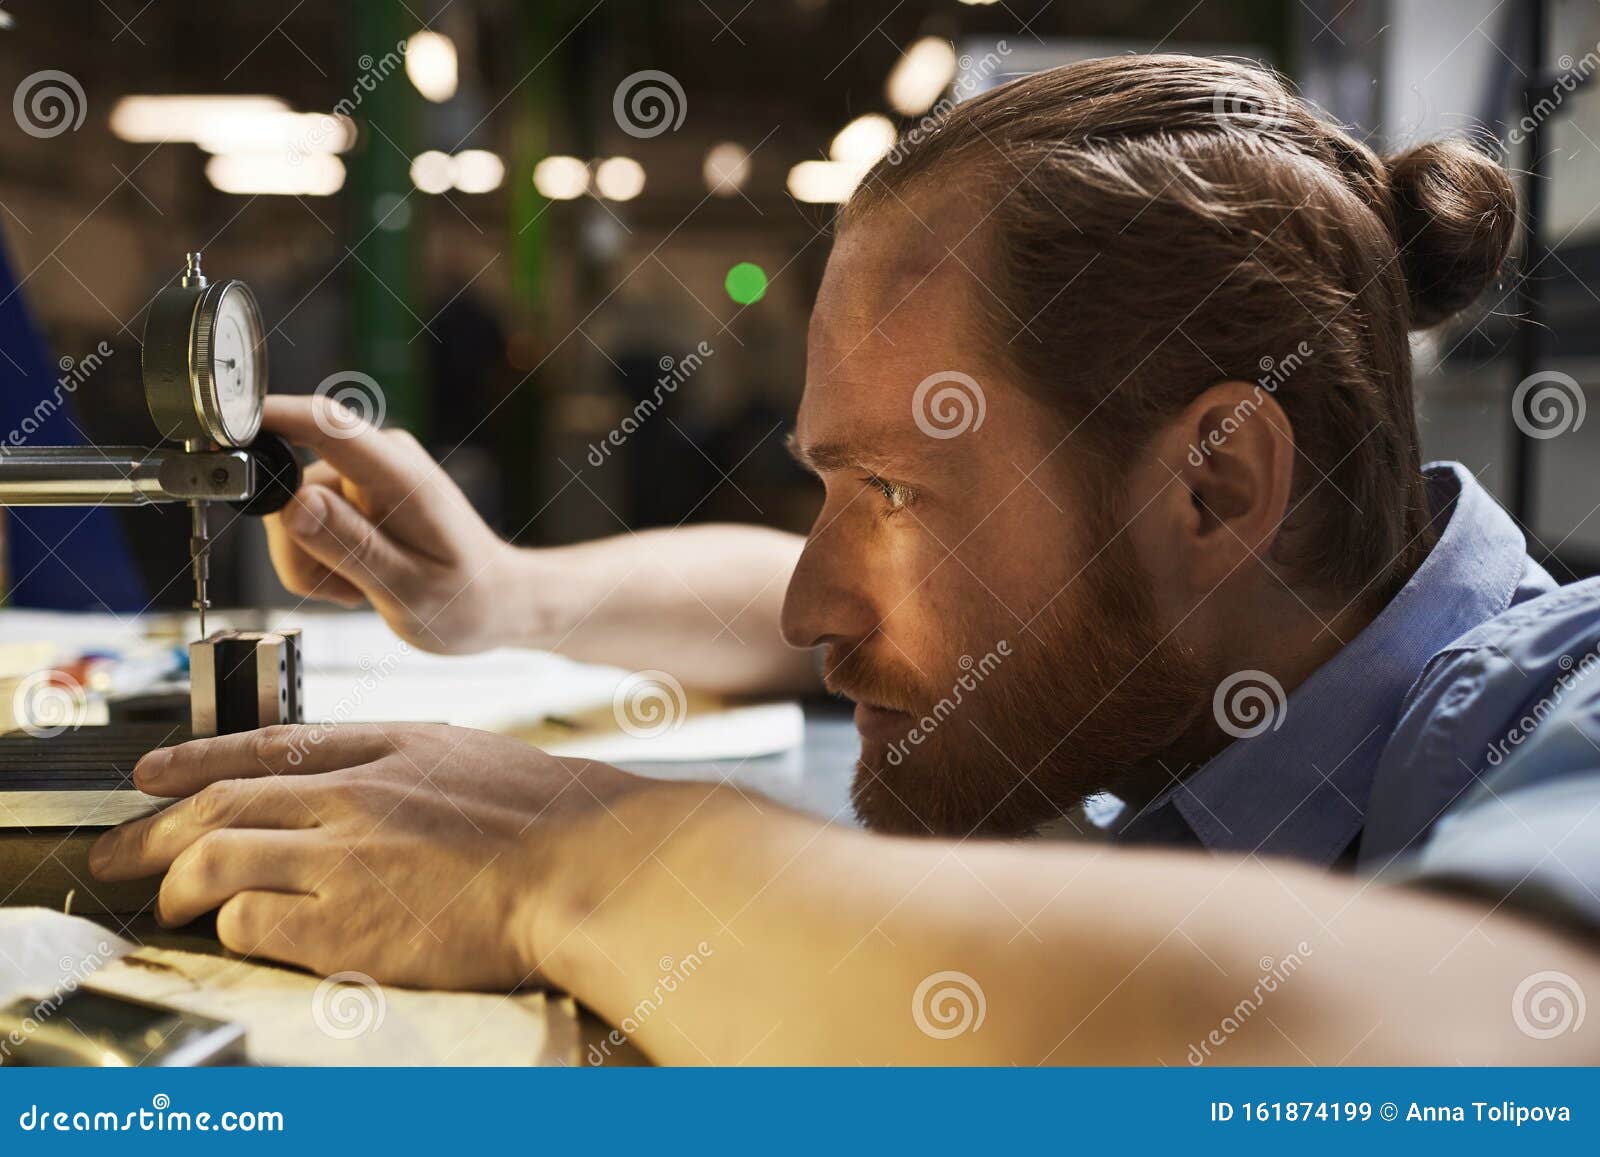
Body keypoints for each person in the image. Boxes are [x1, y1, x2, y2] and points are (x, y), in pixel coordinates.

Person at [91, 55, 1600, 1064]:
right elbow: (814, 608)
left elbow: (1469, 1043)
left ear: (1215, 486)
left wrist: (584, 863)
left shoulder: (1566, 709)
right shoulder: (1242, 653)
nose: (820, 605)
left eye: (891, 486)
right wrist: (503, 592)